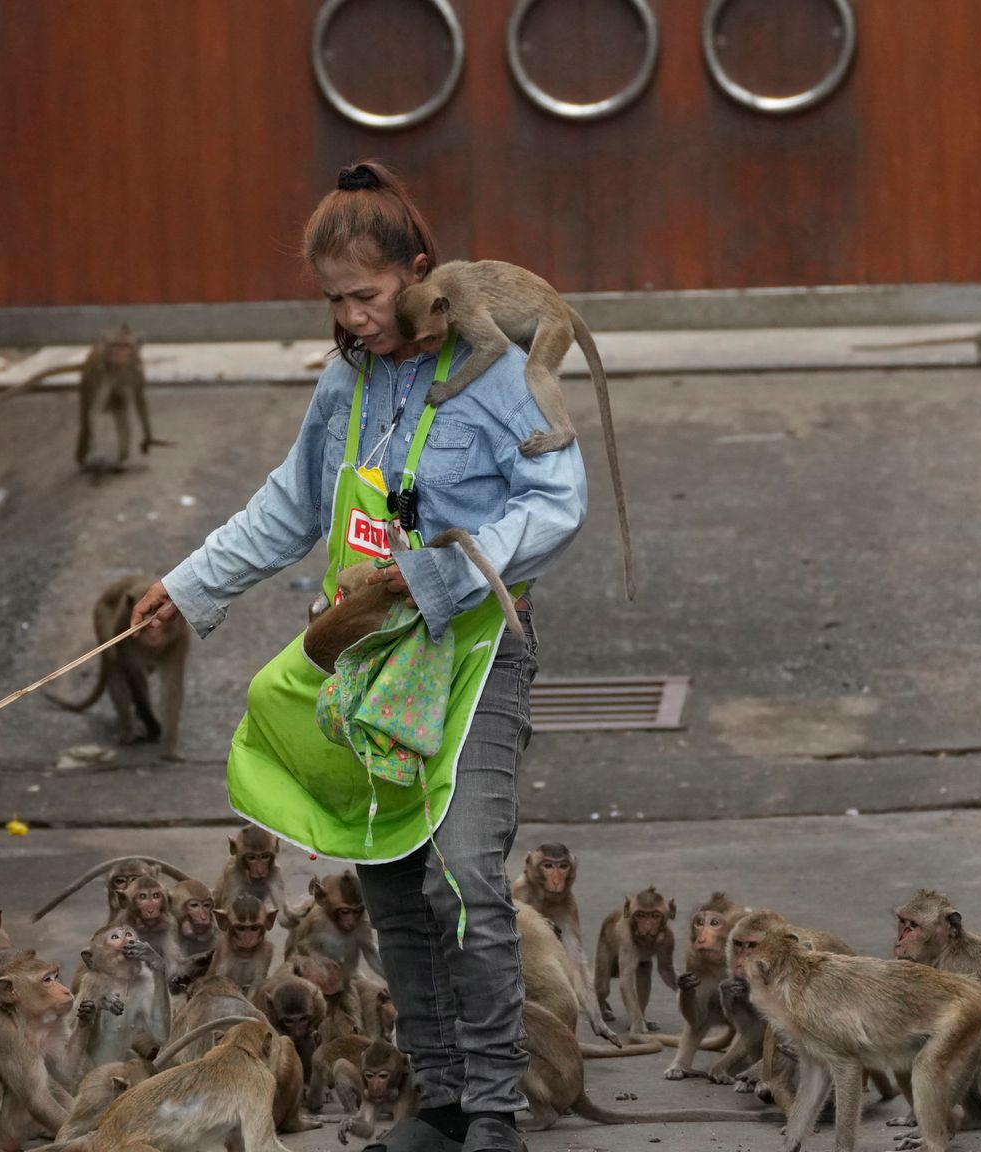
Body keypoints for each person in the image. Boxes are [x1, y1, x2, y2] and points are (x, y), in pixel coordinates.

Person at [130, 160, 587, 1152]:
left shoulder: (497, 372)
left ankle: (496, 1117)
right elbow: (290, 504)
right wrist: (186, 585)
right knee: (389, 869)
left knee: (460, 873)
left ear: (418, 274)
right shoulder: (347, 380)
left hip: (471, 654)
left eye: (365, 296)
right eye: (332, 299)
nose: (348, 317)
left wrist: (439, 580)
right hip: (367, 660)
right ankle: (446, 1101)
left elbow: (557, 504)